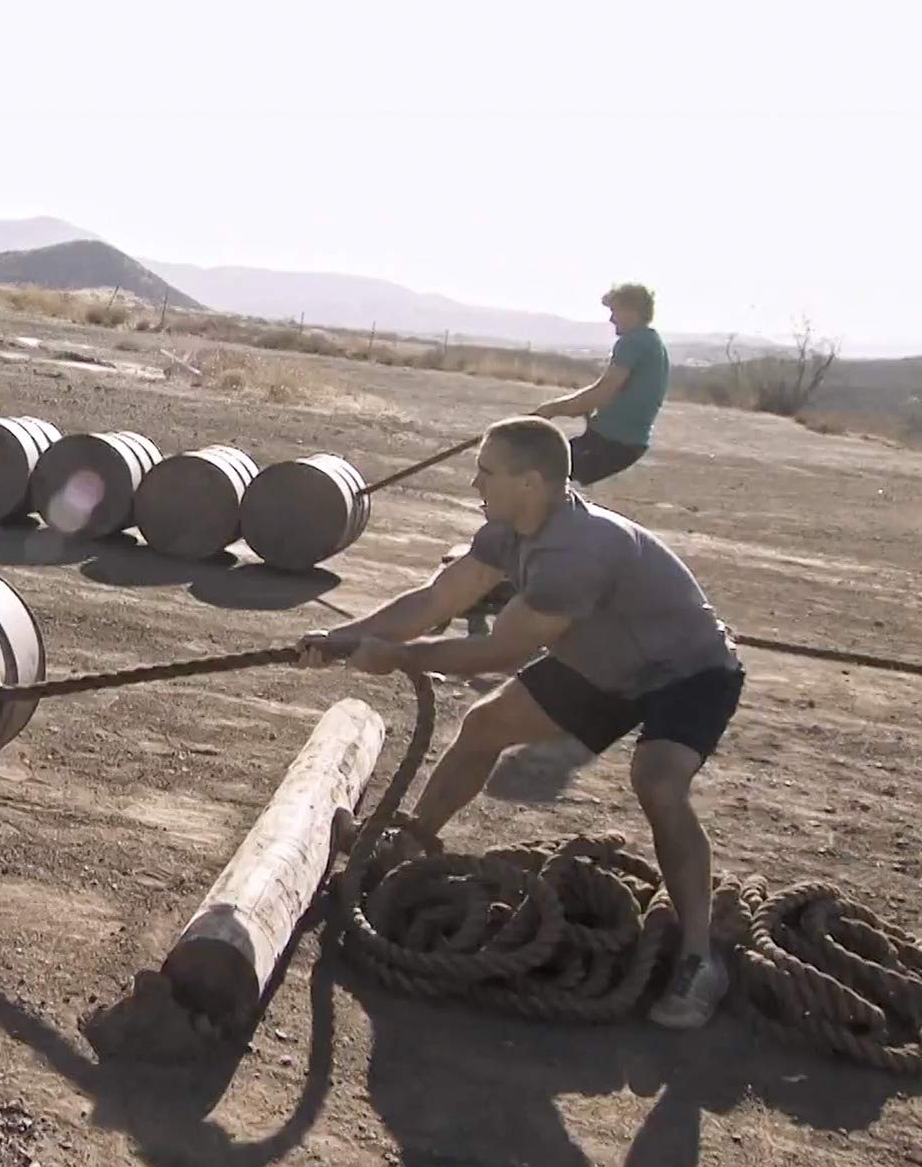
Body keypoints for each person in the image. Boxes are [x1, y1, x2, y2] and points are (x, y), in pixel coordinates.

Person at [298, 416, 745, 1029]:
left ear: (531, 482)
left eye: (486, 471)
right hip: (604, 665)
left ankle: (700, 959)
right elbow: (434, 601)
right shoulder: (508, 531)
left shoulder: (576, 555)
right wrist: (344, 637)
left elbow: (497, 653)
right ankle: (407, 850)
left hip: (688, 671)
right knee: (484, 727)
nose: (474, 482)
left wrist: (398, 658)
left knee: (658, 778)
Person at [532, 283, 670, 485]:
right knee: (545, 470)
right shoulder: (651, 340)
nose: (611, 319)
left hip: (614, 443)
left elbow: (602, 392)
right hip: (619, 441)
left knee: (534, 468)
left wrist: (550, 410)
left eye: (615, 311)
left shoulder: (633, 342)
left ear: (632, 311)